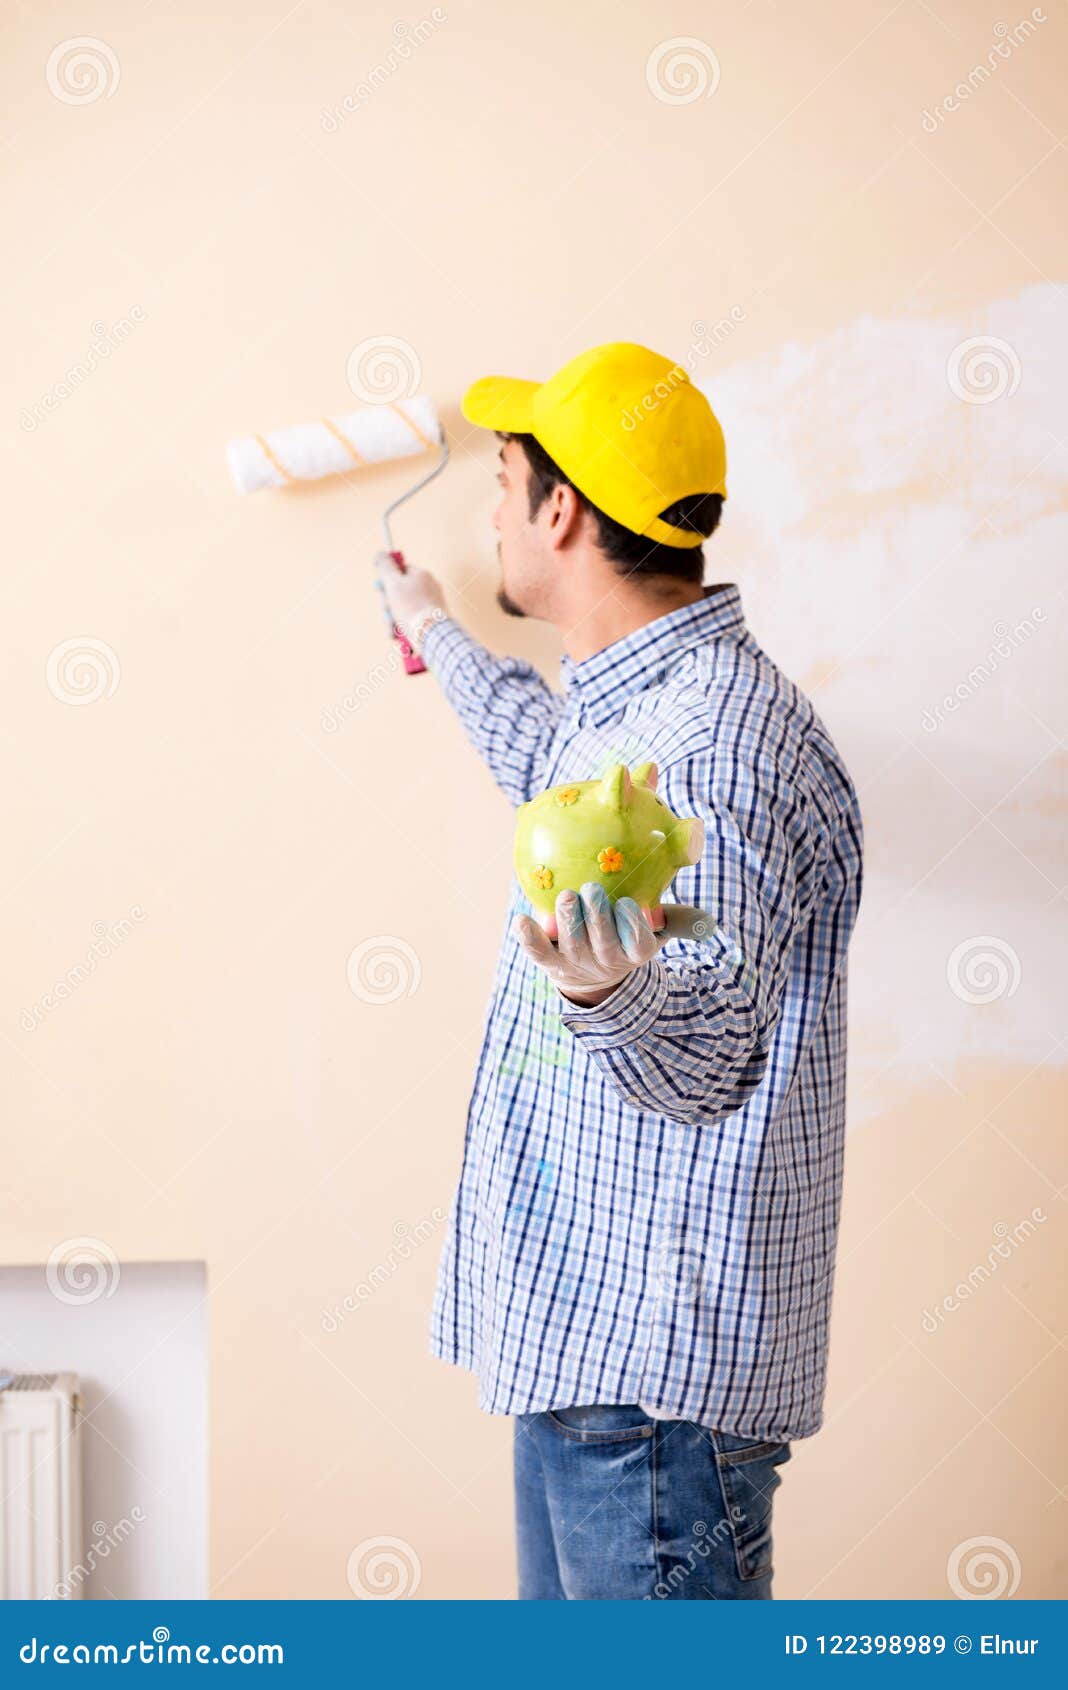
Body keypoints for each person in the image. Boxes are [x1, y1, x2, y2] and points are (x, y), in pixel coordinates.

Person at [375, 342, 863, 1601]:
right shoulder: (641, 710)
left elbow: (714, 1053)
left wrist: (610, 989)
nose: (489, 511)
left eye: (501, 481)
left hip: (653, 1404)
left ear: (562, 511)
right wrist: (434, 628)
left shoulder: (707, 748)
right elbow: (552, 763)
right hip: (596, 1367)